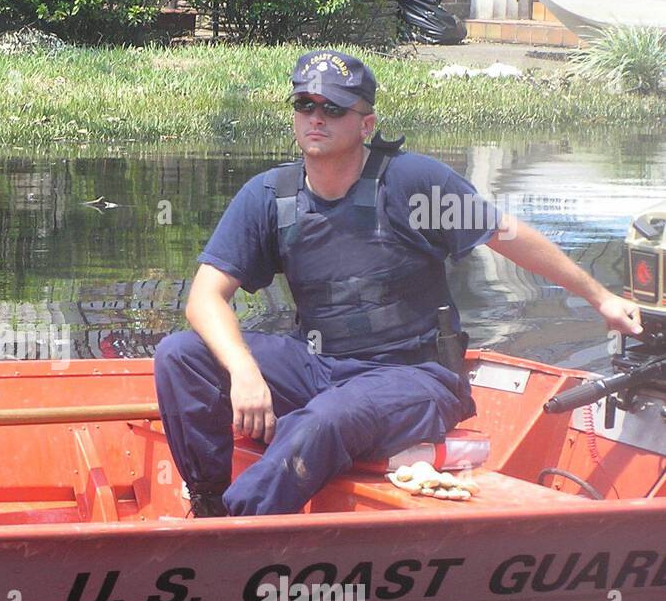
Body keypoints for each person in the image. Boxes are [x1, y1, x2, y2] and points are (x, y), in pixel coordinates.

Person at [155, 49, 642, 518]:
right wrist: (244, 371)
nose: (316, 118)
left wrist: (600, 297)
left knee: (327, 418)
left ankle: (232, 536)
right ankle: (210, 502)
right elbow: (204, 298)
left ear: (365, 124)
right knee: (180, 355)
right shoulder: (269, 196)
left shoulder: (413, 182)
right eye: (305, 105)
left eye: (333, 108)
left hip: (414, 378)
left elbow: (507, 235)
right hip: (318, 364)